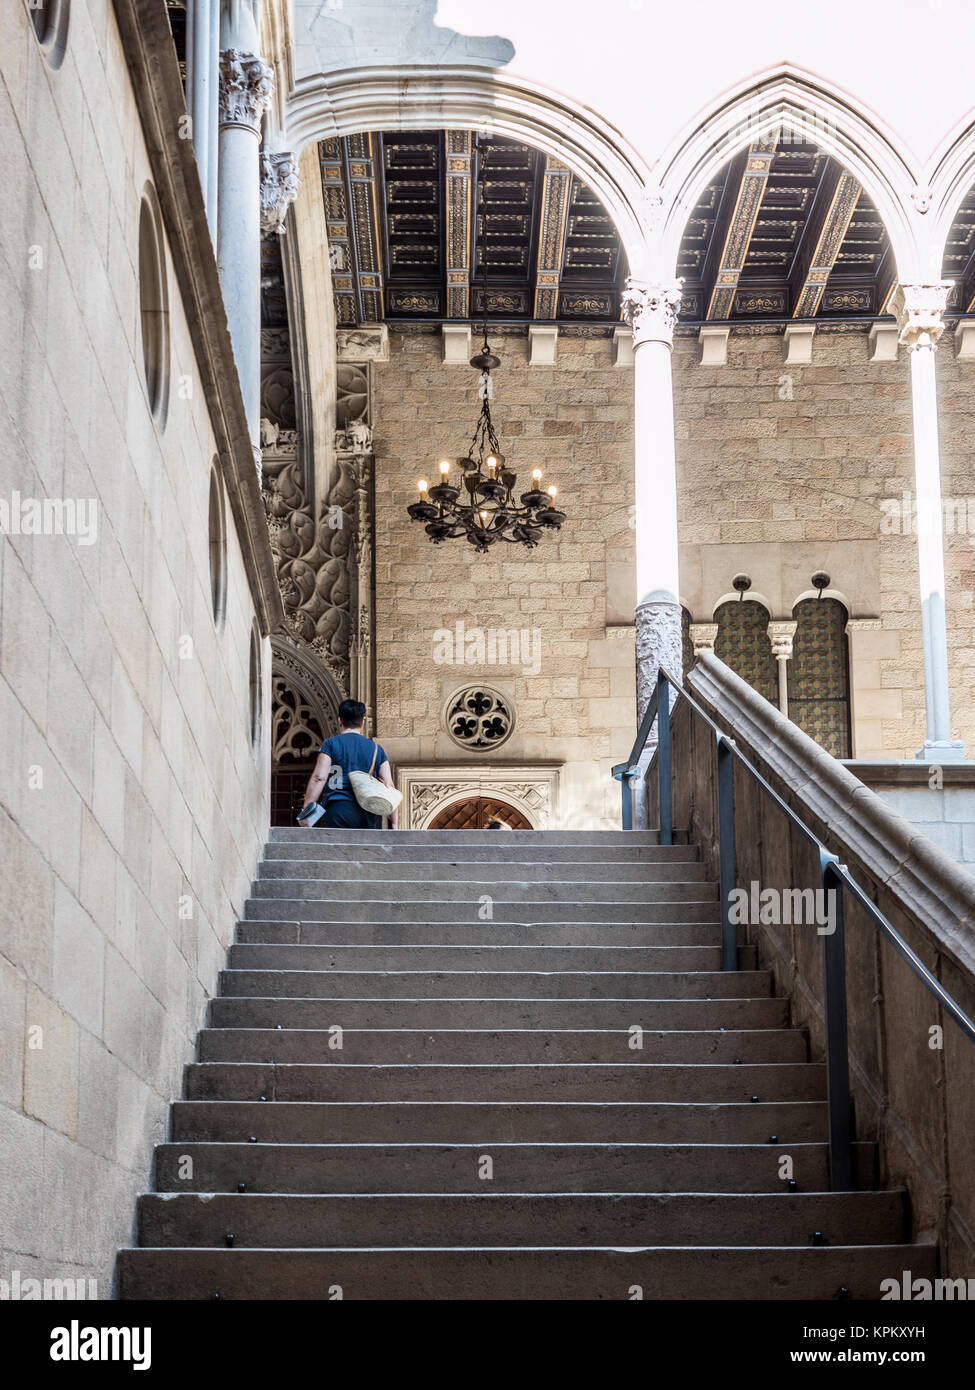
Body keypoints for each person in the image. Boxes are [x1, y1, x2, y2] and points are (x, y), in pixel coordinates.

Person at [297, 699, 398, 830]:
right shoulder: (377, 750)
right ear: (362, 723)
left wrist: (307, 809)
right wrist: (394, 823)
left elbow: (319, 778)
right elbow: (389, 786)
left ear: (340, 721)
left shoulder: (330, 744)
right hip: (369, 813)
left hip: (338, 809)